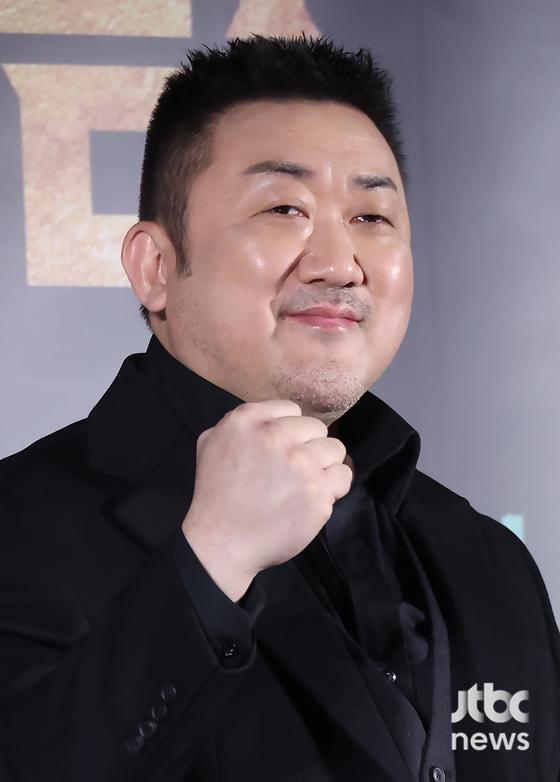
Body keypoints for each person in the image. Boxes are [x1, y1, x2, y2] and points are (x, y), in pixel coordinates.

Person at [0, 35, 558, 782]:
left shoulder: (488, 557)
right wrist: (209, 561)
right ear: (156, 267)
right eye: (284, 207)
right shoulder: (18, 527)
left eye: (372, 217)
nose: (339, 264)